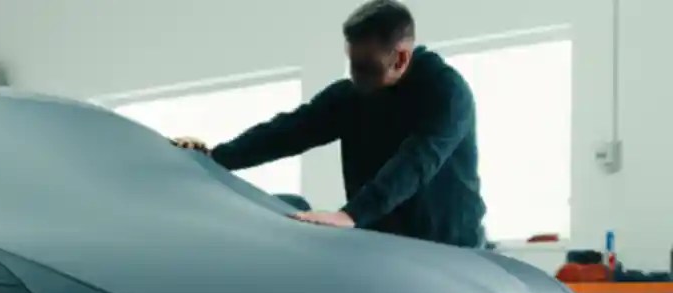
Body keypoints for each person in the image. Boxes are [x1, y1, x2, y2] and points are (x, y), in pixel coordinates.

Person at [174, 0, 487, 248]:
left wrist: (351, 214)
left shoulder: (447, 93)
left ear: (401, 59)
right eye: (351, 63)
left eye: (365, 66)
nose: (355, 75)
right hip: (386, 247)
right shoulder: (352, 96)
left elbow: (419, 159)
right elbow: (288, 132)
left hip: (451, 249)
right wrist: (215, 159)